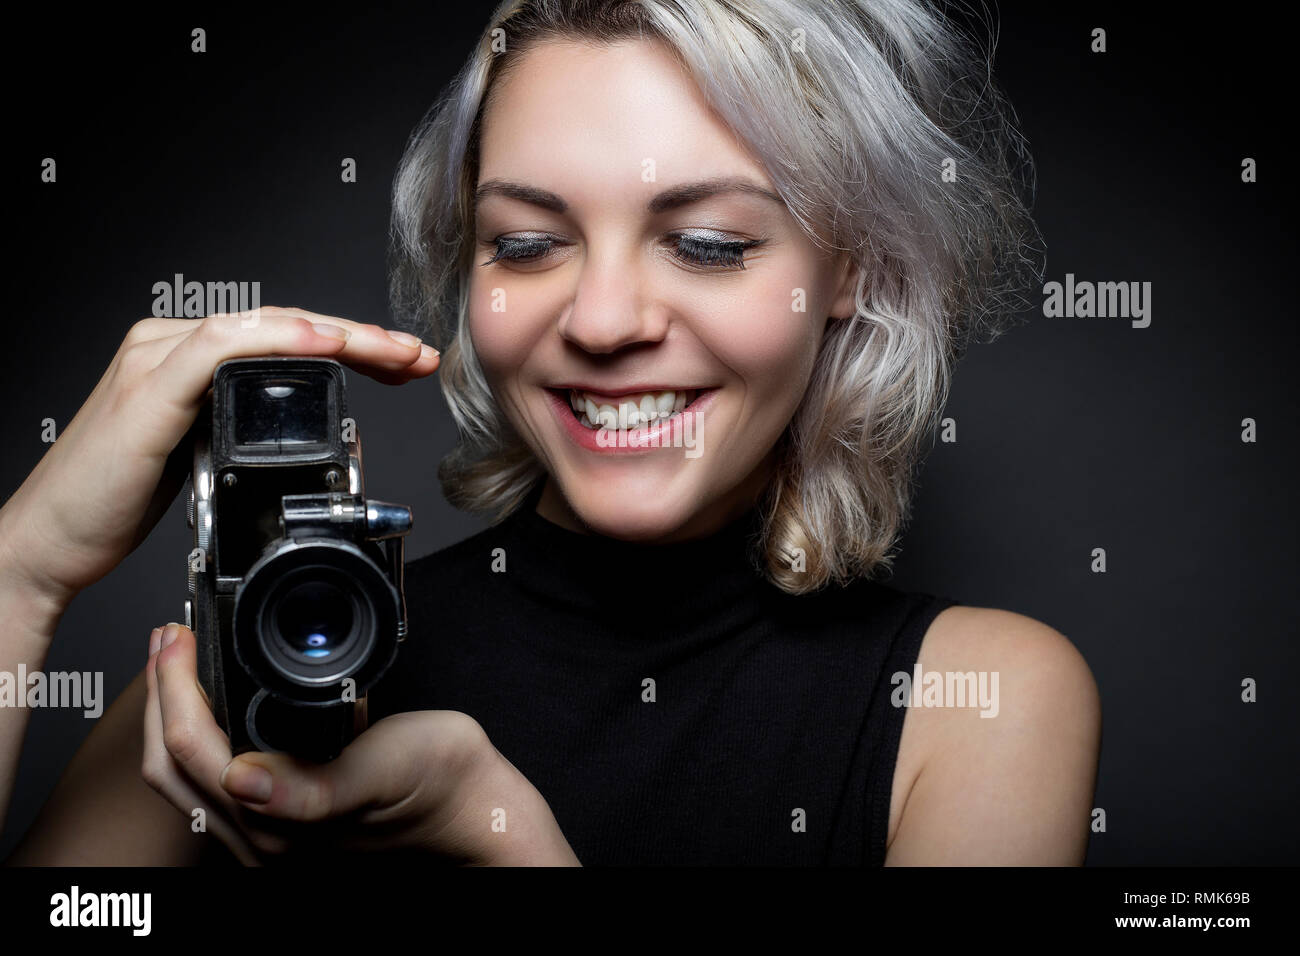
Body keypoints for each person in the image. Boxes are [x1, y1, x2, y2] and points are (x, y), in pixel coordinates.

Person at [0, 0, 1100, 866]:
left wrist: (501, 837)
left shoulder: (980, 702)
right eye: (527, 244)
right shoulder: (269, 658)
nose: (605, 320)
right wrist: (23, 570)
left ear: (846, 267)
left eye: (709, 243)